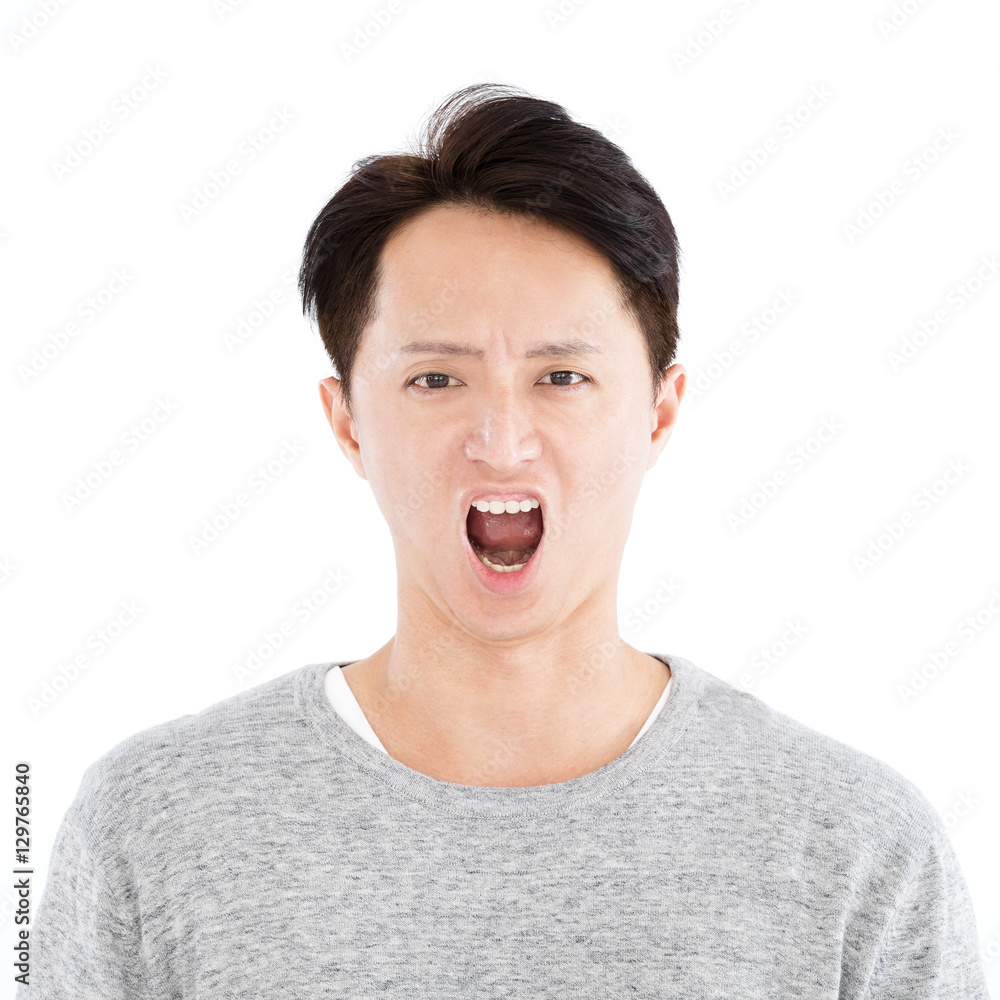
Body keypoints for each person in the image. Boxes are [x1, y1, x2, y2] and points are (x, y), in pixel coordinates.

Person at [20, 83, 990, 998]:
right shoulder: (156, 826)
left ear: (659, 412)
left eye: (561, 377)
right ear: (348, 420)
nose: (500, 438)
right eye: (436, 380)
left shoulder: (855, 843)